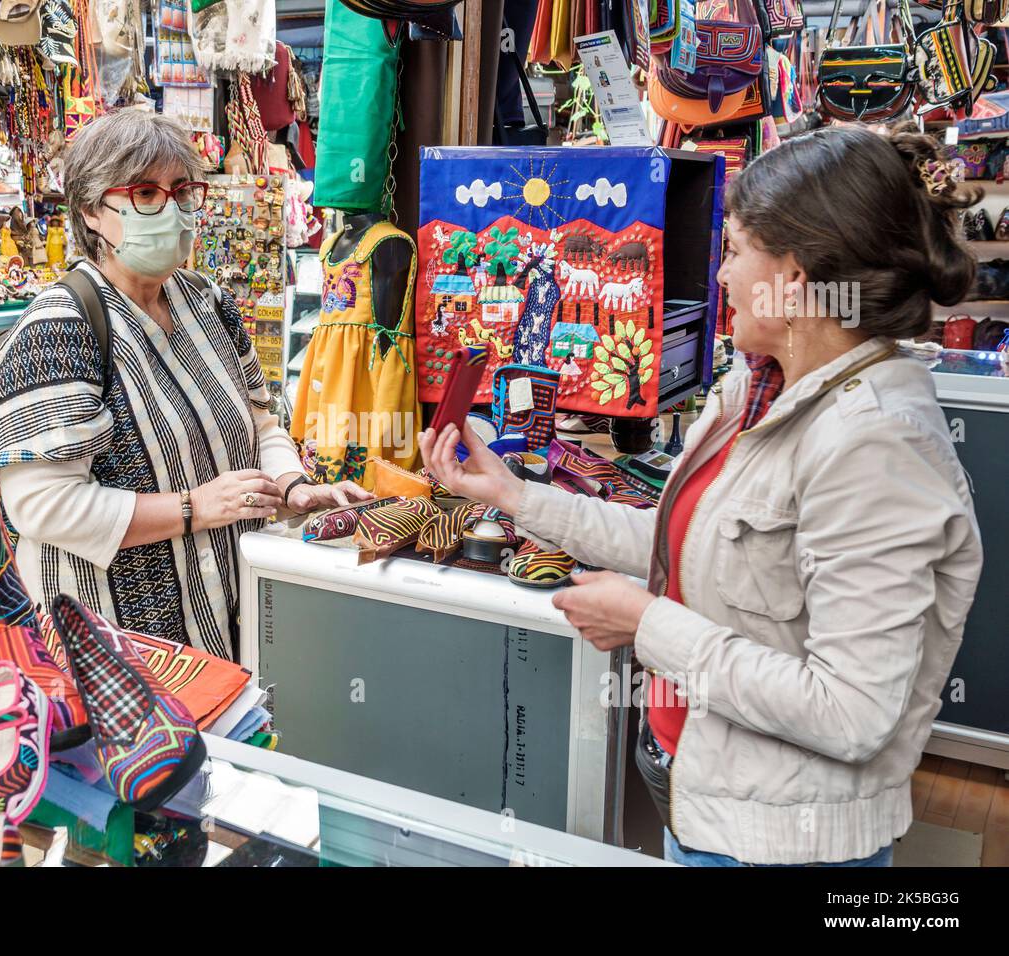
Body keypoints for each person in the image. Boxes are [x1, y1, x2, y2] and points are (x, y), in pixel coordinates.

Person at [420, 124, 983, 867]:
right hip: (708, 804)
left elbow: (852, 712)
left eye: (736, 250)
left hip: (784, 844)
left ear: (800, 274)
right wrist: (512, 494)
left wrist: (647, 624)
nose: (719, 277)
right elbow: (683, 539)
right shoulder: (758, 388)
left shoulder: (874, 444)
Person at [0, 108, 369, 661]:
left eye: (182, 191)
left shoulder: (206, 301)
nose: (170, 210)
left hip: (224, 620)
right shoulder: (59, 329)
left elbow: (260, 420)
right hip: (114, 648)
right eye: (144, 193)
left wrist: (290, 486)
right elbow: (41, 506)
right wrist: (191, 508)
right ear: (92, 211)